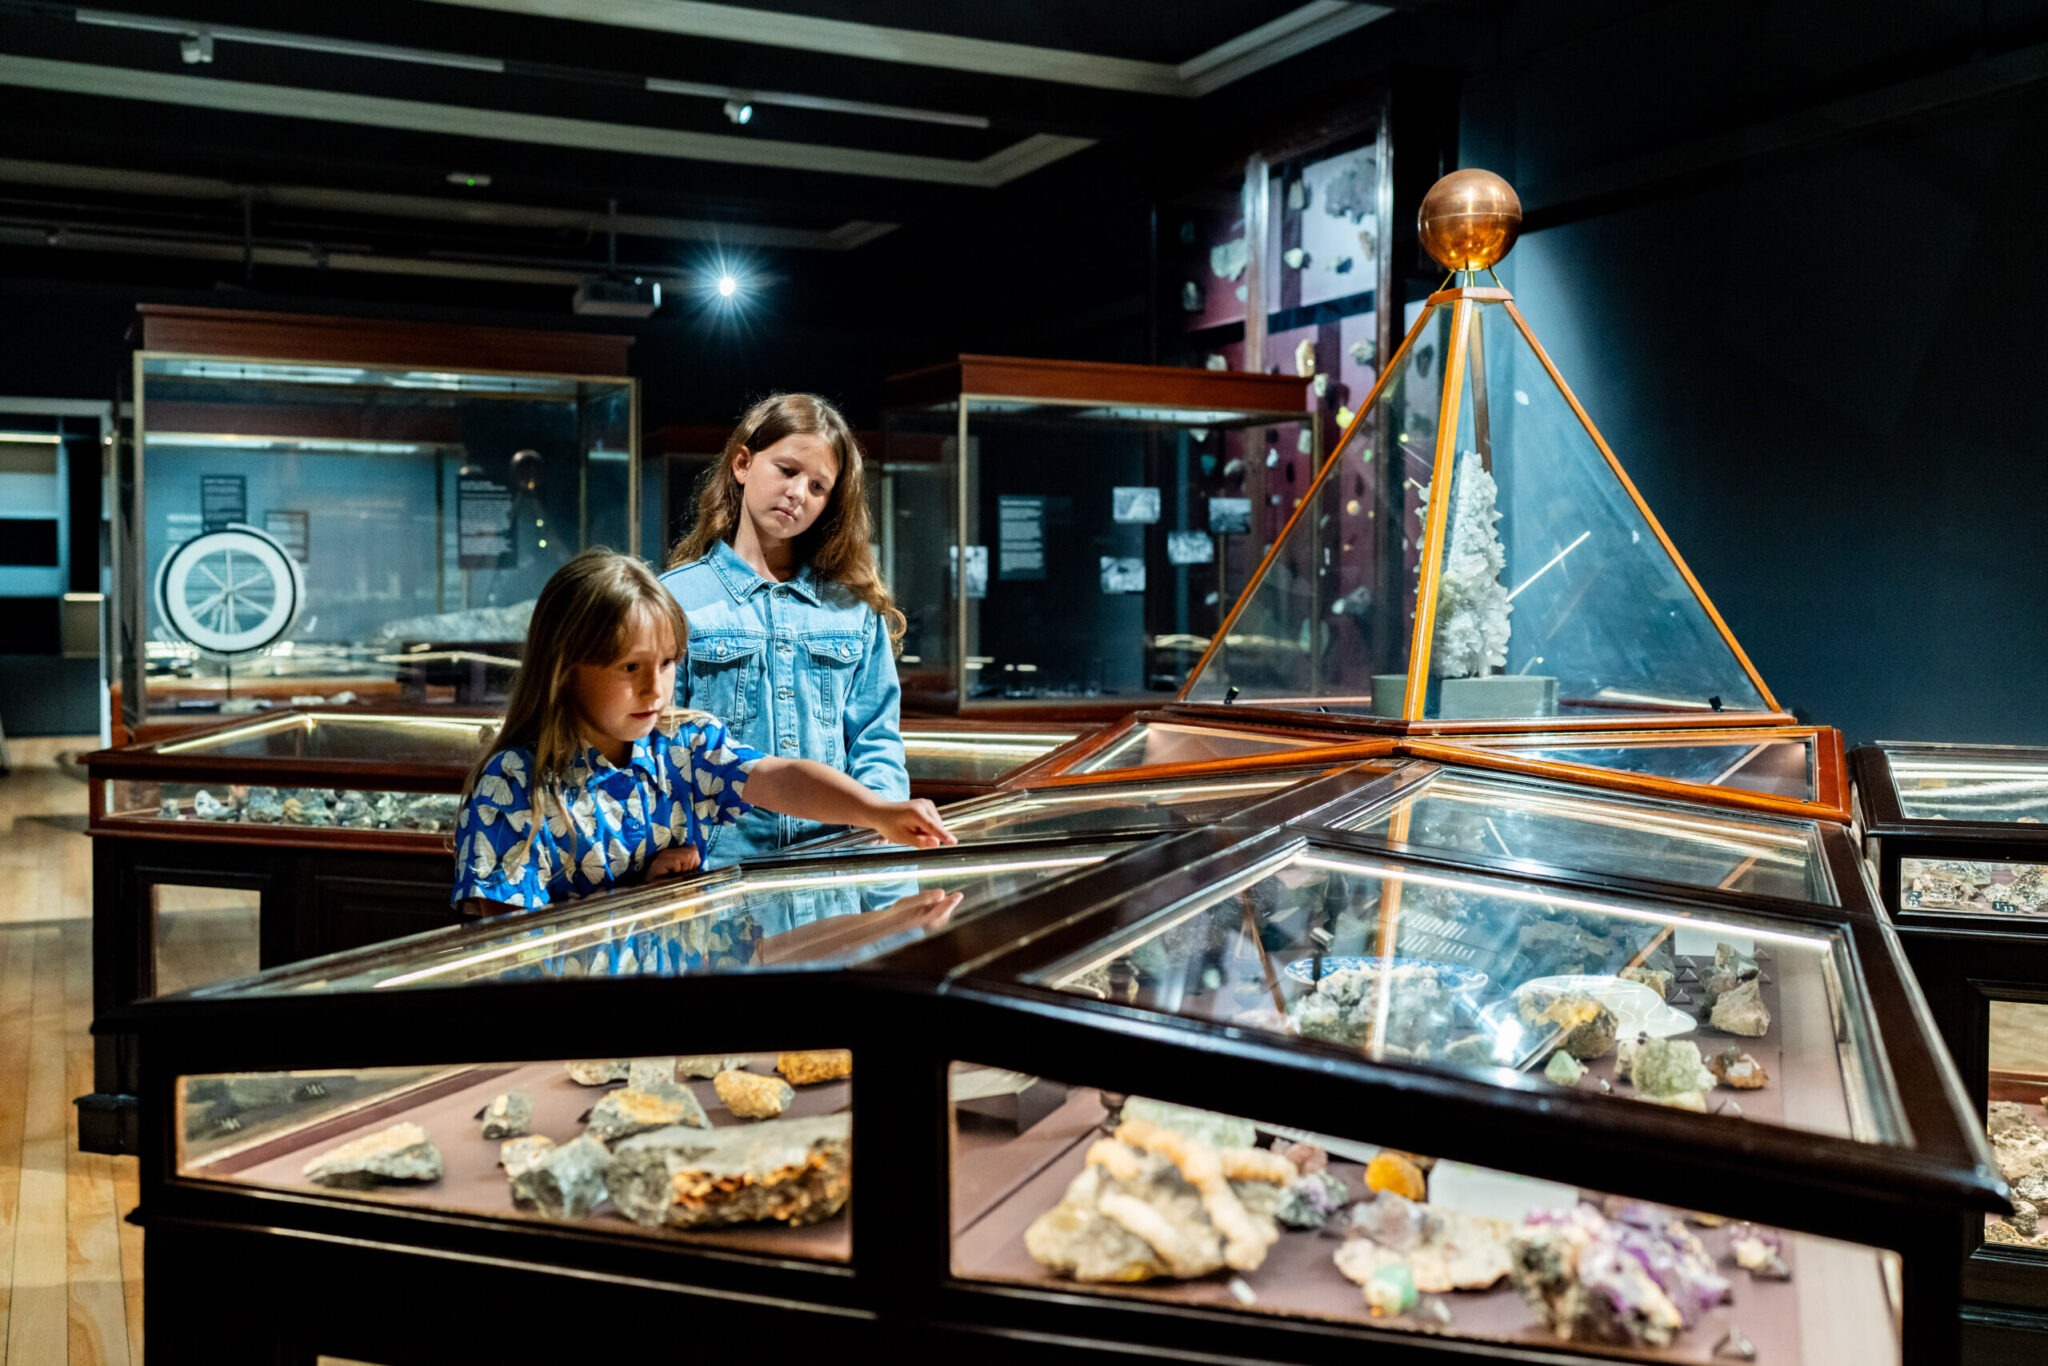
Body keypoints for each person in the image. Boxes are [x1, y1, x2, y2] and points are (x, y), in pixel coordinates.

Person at [452, 549, 951, 916]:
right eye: (630, 667)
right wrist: (640, 897)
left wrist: (877, 811)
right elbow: (510, 945)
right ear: (565, 668)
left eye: (667, 663)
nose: (655, 689)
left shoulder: (682, 745)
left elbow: (777, 778)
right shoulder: (514, 784)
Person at [661, 393, 908, 865]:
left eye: (819, 487)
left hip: (831, 872)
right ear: (742, 464)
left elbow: (876, 739)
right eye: (788, 470)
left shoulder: (853, 608)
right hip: (719, 876)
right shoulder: (675, 600)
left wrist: (881, 856)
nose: (798, 493)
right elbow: (658, 745)